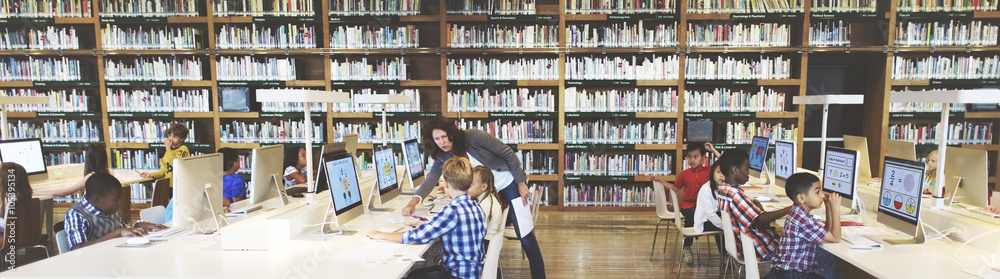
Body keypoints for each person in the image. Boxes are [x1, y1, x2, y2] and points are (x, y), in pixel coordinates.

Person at [401, 116, 546, 278]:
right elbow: (432, 177)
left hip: (508, 183)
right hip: (486, 193)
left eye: (444, 136)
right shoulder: (442, 154)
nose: (441, 142)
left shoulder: (474, 136)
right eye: (436, 139)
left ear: (451, 134)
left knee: (525, 236)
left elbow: (508, 153)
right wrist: (413, 202)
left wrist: (521, 182)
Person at [367, 157, 485, 279]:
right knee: (413, 274)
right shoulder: (475, 206)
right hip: (472, 272)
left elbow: (417, 236)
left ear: (445, 183)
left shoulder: (453, 211)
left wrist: (380, 234)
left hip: (457, 275)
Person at [716, 150, 791, 262]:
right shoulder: (735, 195)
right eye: (746, 169)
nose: (748, 173)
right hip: (763, 249)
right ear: (735, 170)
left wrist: (754, 203)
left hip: (746, 248)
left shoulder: (723, 190)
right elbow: (761, 218)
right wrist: (791, 208)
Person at [651, 142, 719, 265]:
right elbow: (674, 187)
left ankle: (724, 252)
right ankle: (686, 247)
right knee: (691, 216)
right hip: (688, 205)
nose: (691, 160)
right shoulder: (684, 174)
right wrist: (660, 180)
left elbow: (725, 164)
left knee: (719, 218)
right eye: (689, 157)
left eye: (695, 157)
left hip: (706, 205)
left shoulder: (710, 171)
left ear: (703, 158)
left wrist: (713, 150)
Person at [766, 173, 842, 279]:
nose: (822, 195)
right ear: (801, 198)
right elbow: (835, 238)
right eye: (817, 192)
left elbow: (826, 234)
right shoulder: (804, 220)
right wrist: (836, 209)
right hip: (793, 274)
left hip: (783, 272)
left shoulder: (797, 212)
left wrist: (829, 207)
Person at [64, 172, 167, 250]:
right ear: (97, 199)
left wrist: (138, 226)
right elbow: (78, 248)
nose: (120, 203)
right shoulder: (76, 215)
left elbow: (122, 230)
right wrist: (117, 233)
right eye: (116, 199)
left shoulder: (111, 209)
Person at [35, 142, 110, 197]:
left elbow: (64, 192)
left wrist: (37, 192)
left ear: (88, 159)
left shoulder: (91, 177)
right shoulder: (108, 173)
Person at [693, 160, 726, 254]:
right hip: (705, 222)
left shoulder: (722, 186)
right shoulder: (706, 189)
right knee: (732, 226)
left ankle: (728, 253)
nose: (721, 175)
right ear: (712, 173)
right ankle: (728, 254)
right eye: (718, 172)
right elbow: (710, 214)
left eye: (724, 172)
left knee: (733, 221)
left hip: (715, 218)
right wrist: (726, 226)